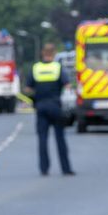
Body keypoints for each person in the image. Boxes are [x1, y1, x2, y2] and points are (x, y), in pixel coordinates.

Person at [24, 43, 75, 176]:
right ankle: (66, 168)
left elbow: (27, 89)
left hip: (41, 106)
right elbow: (68, 85)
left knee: (42, 139)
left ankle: (44, 169)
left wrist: (37, 92)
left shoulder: (36, 68)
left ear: (42, 53)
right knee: (60, 138)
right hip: (55, 106)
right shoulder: (57, 68)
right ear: (53, 54)